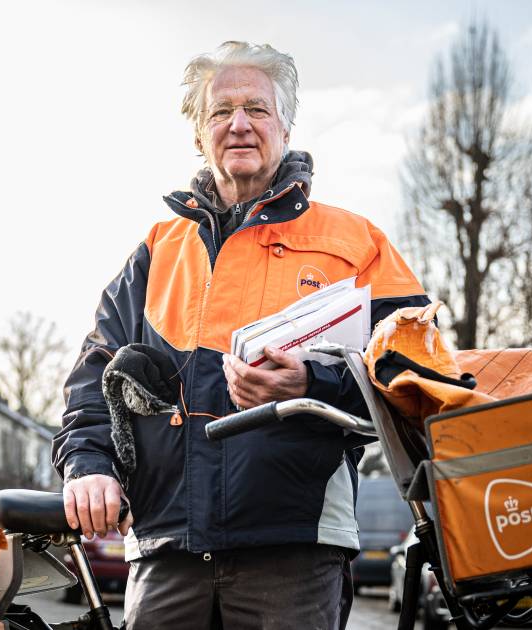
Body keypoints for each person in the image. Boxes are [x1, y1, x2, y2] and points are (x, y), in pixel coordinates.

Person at [51, 41, 429, 629]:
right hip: (166, 542)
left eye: (257, 108)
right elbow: (92, 379)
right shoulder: (156, 251)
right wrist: (88, 464)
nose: (240, 124)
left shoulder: (357, 243)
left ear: (285, 127)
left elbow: (419, 373)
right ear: (199, 135)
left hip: (294, 545)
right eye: (221, 111)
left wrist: (310, 383)